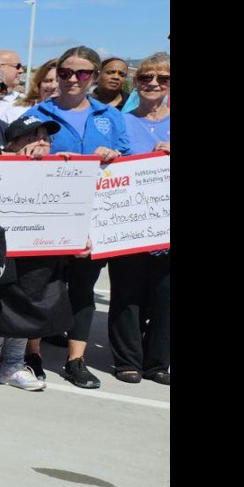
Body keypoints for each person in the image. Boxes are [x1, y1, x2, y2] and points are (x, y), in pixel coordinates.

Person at [14, 45, 131, 389]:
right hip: (48, 214)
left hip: (94, 214)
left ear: (94, 76)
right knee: (41, 286)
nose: (72, 79)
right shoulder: (38, 112)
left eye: (82, 73)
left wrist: (114, 154)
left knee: (83, 288)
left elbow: (126, 157)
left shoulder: (110, 116)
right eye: (65, 72)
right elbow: (17, 153)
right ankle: (32, 353)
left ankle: (76, 360)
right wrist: (31, 152)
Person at [0, 117, 69, 394]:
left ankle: (13, 365)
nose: (41, 143)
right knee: (1, 307)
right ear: (12, 143)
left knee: (27, 308)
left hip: (39, 252)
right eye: (32, 137)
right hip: (3, 250)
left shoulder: (62, 167)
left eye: (45, 138)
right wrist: (13, 160)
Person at [108, 52, 170, 384]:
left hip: (167, 226)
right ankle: (127, 360)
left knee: (165, 297)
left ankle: (158, 361)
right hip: (127, 224)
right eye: (146, 77)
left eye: (163, 79)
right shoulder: (120, 121)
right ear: (136, 82)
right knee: (126, 294)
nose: (154, 84)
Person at [0, 57, 57, 124]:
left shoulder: (67, 114)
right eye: (48, 81)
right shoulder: (19, 111)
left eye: (59, 81)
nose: (53, 86)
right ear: (38, 84)